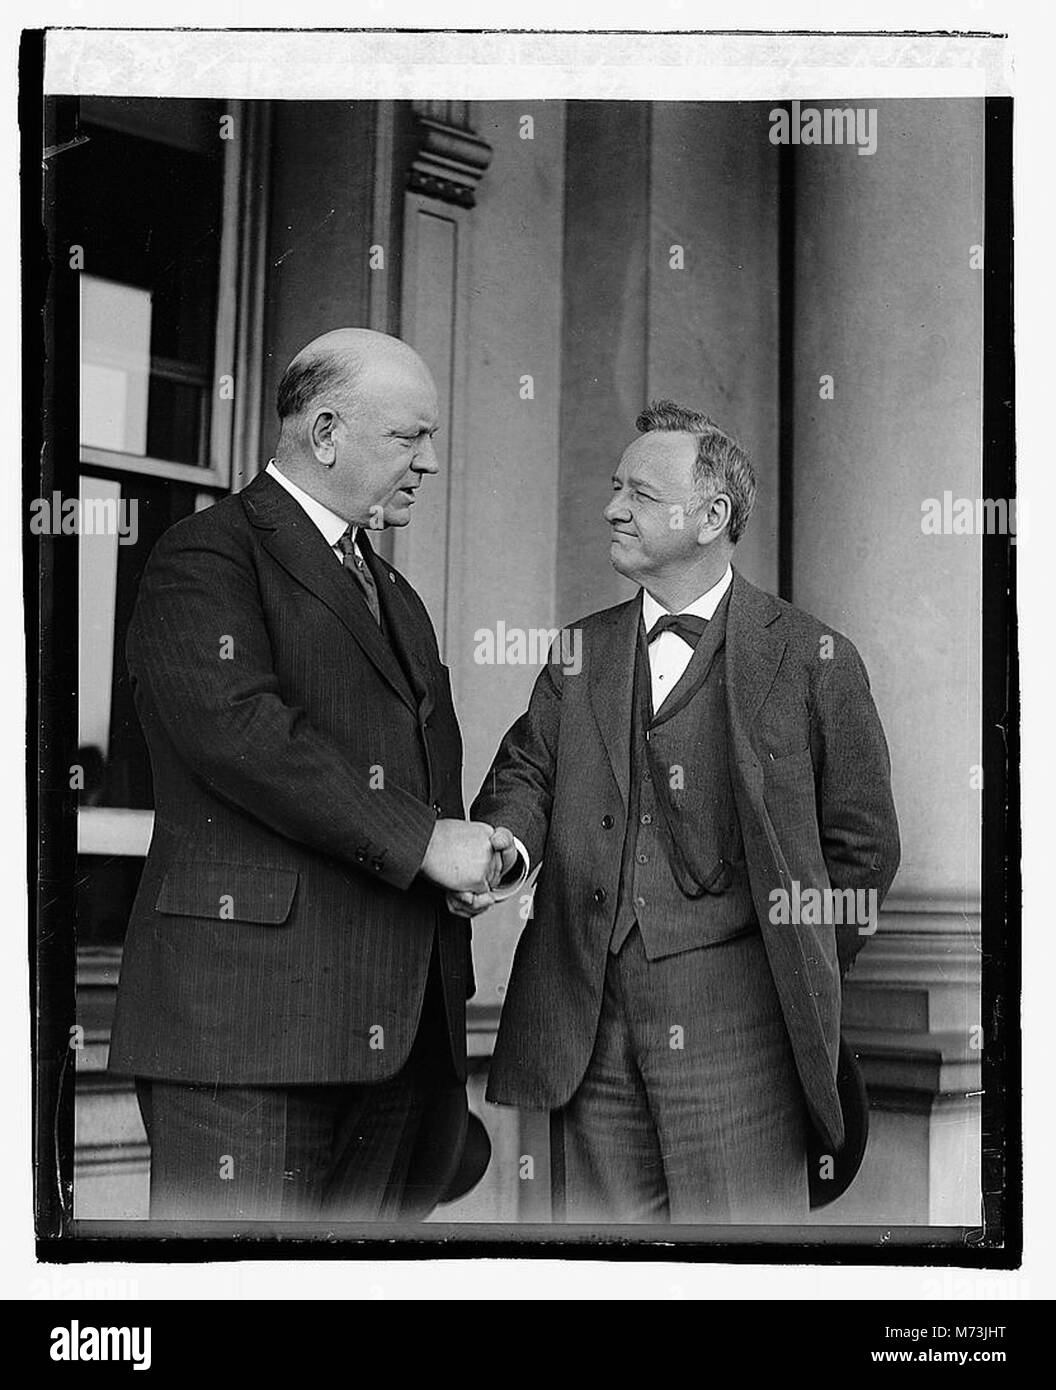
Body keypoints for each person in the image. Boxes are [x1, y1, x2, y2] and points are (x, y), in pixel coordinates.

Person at [454, 400, 900, 1224]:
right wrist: (504, 851)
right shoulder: (579, 650)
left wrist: (781, 963)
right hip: (586, 1017)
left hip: (745, 1032)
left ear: (711, 517)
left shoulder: (814, 657)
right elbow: (525, 776)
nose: (612, 507)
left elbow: (862, 852)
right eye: (615, 487)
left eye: (641, 494)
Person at [109, 328, 516, 1221]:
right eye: (410, 437)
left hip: (401, 1047)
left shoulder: (394, 595)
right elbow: (241, 733)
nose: (432, 462)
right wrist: (423, 843)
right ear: (326, 433)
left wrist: (456, 859)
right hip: (248, 1044)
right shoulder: (207, 555)